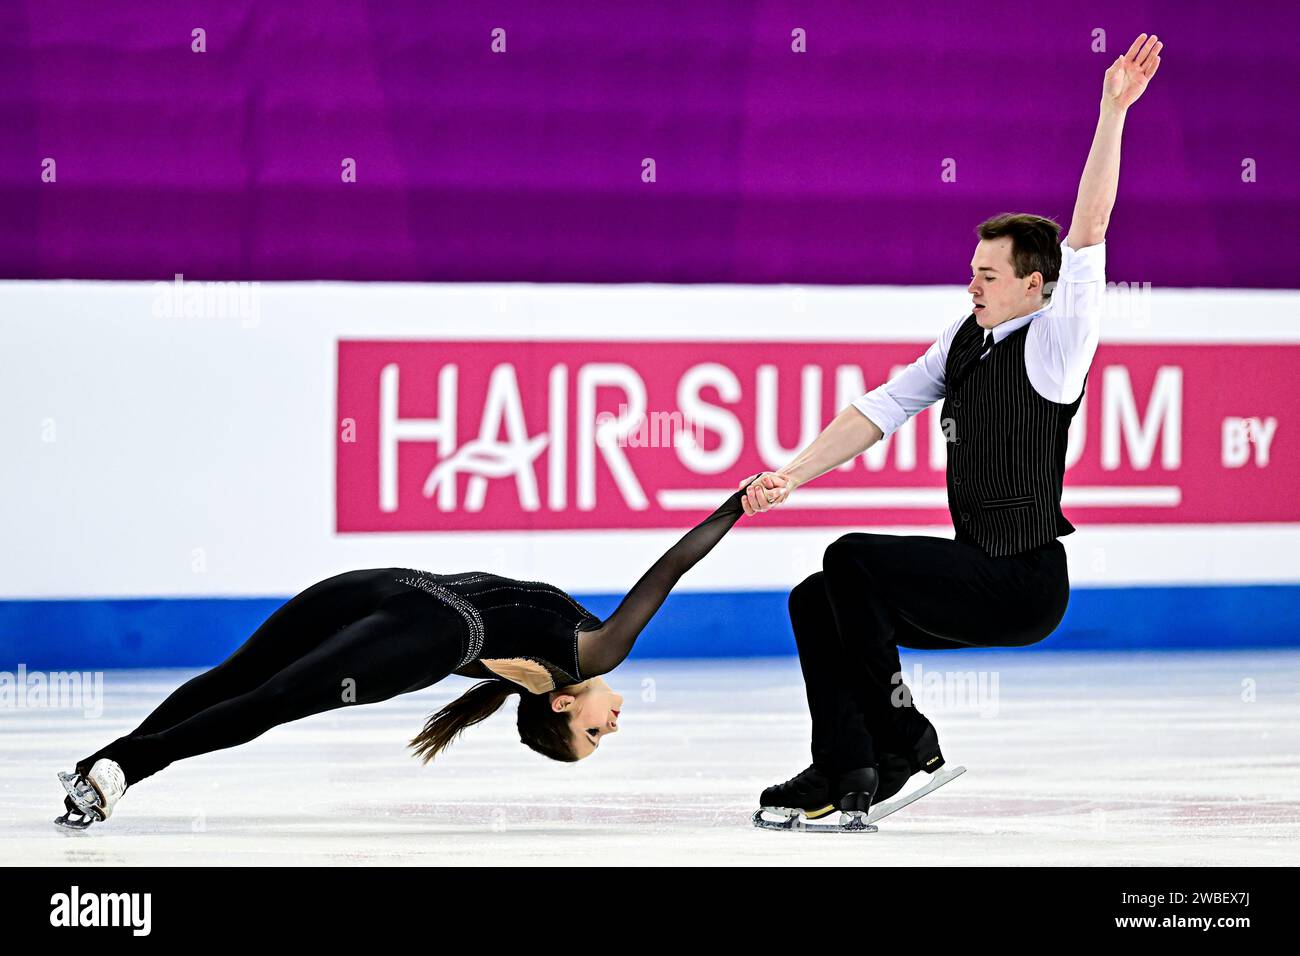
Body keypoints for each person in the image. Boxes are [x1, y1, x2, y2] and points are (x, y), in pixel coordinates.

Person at [742, 34, 1164, 822]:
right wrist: (789, 474)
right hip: (972, 576)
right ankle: (845, 766)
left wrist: (1112, 113)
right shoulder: (964, 341)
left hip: (1023, 584)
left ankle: (904, 738)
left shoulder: (1057, 343)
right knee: (815, 598)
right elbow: (881, 408)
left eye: (987, 274)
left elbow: (1091, 228)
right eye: (971, 270)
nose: (971, 282)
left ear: (1034, 285)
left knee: (851, 560)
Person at [55, 479, 772, 829]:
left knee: (246, 683)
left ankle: (108, 765)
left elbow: (670, 568)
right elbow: (668, 569)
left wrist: (737, 504)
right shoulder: (577, 657)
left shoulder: (592, 658)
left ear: (560, 704)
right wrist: (739, 502)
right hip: (416, 618)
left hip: (389, 587)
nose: (612, 725)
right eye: (601, 735)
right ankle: (122, 766)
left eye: (592, 734)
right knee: (257, 691)